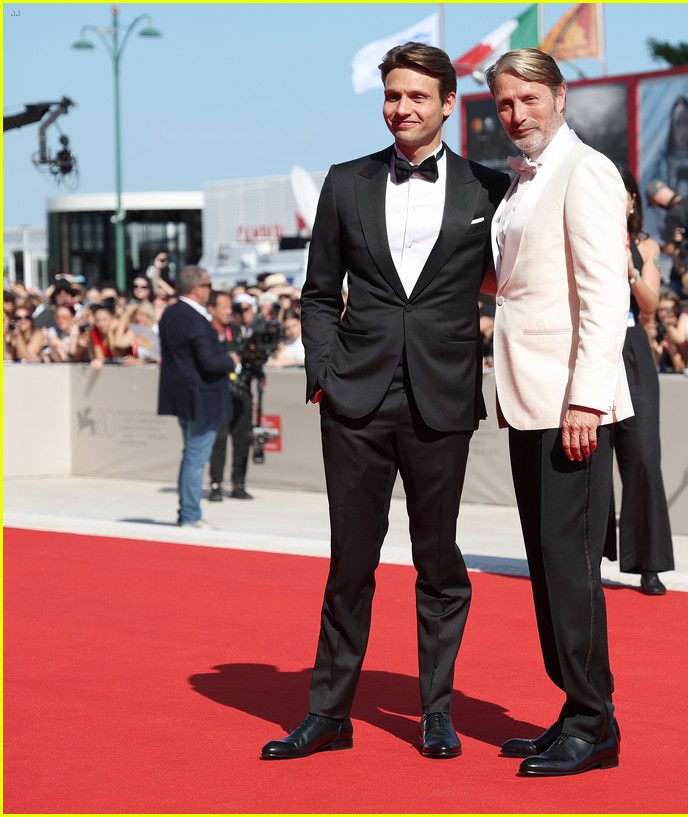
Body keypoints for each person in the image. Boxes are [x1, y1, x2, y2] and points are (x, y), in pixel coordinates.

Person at [261, 42, 510, 763]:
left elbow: (519, 280)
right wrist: (324, 373)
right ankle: (328, 713)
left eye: (416, 96)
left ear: (447, 104)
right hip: (356, 399)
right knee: (350, 562)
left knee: (439, 561)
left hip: (442, 397)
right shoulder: (346, 181)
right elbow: (317, 293)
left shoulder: (490, 189)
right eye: (392, 95)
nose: (401, 107)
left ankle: (436, 712)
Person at [487, 47, 632, 777]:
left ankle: (593, 722)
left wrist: (586, 399)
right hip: (528, 398)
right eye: (505, 103)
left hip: (570, 402)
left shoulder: (587, 171)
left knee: (570, 568)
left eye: (529, 99)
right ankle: (577, 706)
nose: (517, 114)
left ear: (560, 96)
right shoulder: (524, 181)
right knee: (549, 566)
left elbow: (607, 296)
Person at [603, 167, 675, 596]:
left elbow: (650, 304)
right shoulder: (584, 234)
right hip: (591, 342)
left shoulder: (646, 246)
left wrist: (629, 268)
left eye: (622, 193)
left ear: (632, 200)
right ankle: (587, 558)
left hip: (632, 346)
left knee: (644, 456)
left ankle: (649, 564)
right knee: (590, 458)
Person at [156, 266, 236, 529]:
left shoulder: (170, 314)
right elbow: (210, 361)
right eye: (208, 285)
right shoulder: (194, 318)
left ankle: (187, 512)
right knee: (195, 457)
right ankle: (190, 514)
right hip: (203, 396)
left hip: (183, 394)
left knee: (191, 454)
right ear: (197, 288)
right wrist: (231, 360)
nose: (210, 290)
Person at [207, 290, 254, 503]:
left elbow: (247, 356)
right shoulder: (207, 332)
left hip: (241, 390)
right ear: (212, 309)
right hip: (218, 393)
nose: (229, 312)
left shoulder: (237, 330)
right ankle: (216, 484)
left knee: (242, 439)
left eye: (230, 307)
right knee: (219, 440)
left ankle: (239, 484)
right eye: (224, 307)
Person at [645, 178, 688, 287]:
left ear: (656, 199)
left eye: (654, 204)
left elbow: (670, 249)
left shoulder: (674, 214)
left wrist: (653, 247)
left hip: (686, 272)